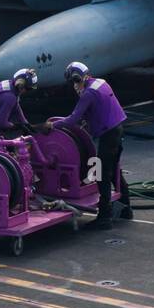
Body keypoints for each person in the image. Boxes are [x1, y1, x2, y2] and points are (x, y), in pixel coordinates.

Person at [49, 61, 133, 229]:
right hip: (118, 130)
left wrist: (51, 125)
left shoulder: (88, 93)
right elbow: (99, 108)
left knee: (102, 174)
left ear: (77, 78)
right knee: (115, 169)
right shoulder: (101, 82)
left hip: (108, 135)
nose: (74, 86)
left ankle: (105, 218)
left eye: (74, 82)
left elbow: (73, 119)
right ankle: (126, 209)